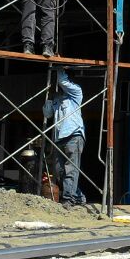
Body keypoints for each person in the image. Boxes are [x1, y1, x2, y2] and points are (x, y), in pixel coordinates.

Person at [44, 67, 85, 206]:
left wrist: (58, 68)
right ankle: (78, 196)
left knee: (71, 169)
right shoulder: (57, 98)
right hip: (59, 137)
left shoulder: (76, 92)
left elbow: (62, 81)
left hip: (74, 135)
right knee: (58, 171)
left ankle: (69, 199)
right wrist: (49, 99)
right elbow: (47, 114)